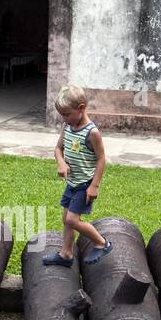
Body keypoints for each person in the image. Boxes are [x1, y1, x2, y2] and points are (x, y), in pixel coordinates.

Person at [43, 84, 112, 267]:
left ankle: (102, 243)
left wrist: (94, 185)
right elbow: (58, 148)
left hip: (84, 185)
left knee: (72, 220)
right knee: (65, 219)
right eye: (62, 115)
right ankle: (66, 254)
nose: (63, 119)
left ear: (81, 108)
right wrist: (61, 162)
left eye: (66, 114)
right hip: (71, 183)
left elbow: (102, 159)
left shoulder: (92, 133)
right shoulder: (67, 126)